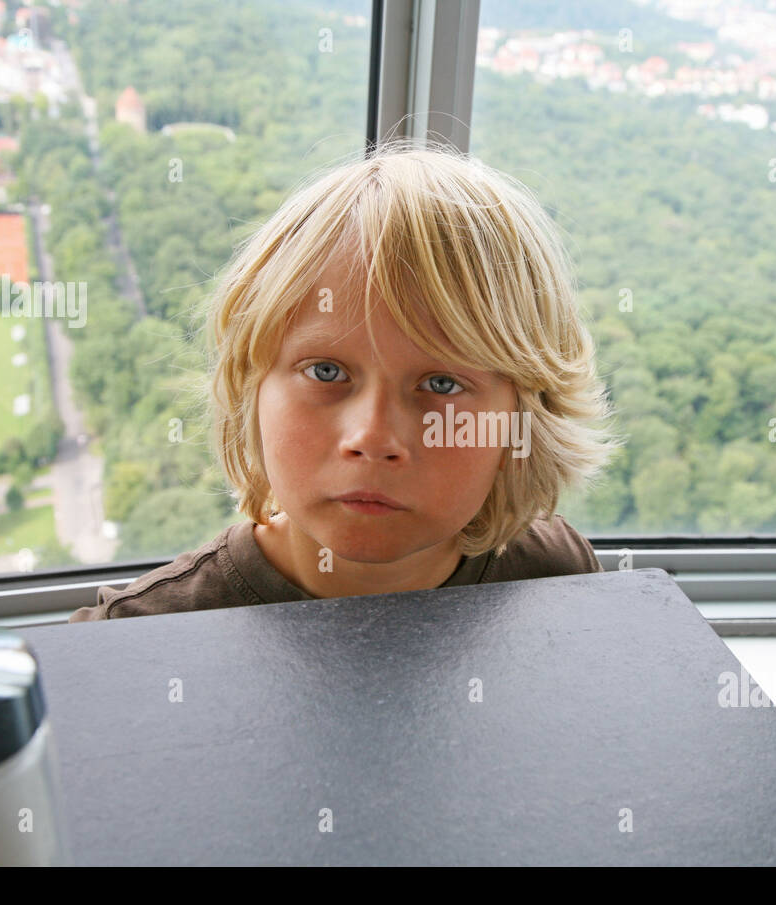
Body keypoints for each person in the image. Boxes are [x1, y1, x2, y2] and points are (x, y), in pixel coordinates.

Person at [69, 139, 622, 622]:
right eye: (326, 372)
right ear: (252, 389)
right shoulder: (141, 636)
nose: (373, 438)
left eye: (443, 386)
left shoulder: (556, 577)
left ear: (522, 421)